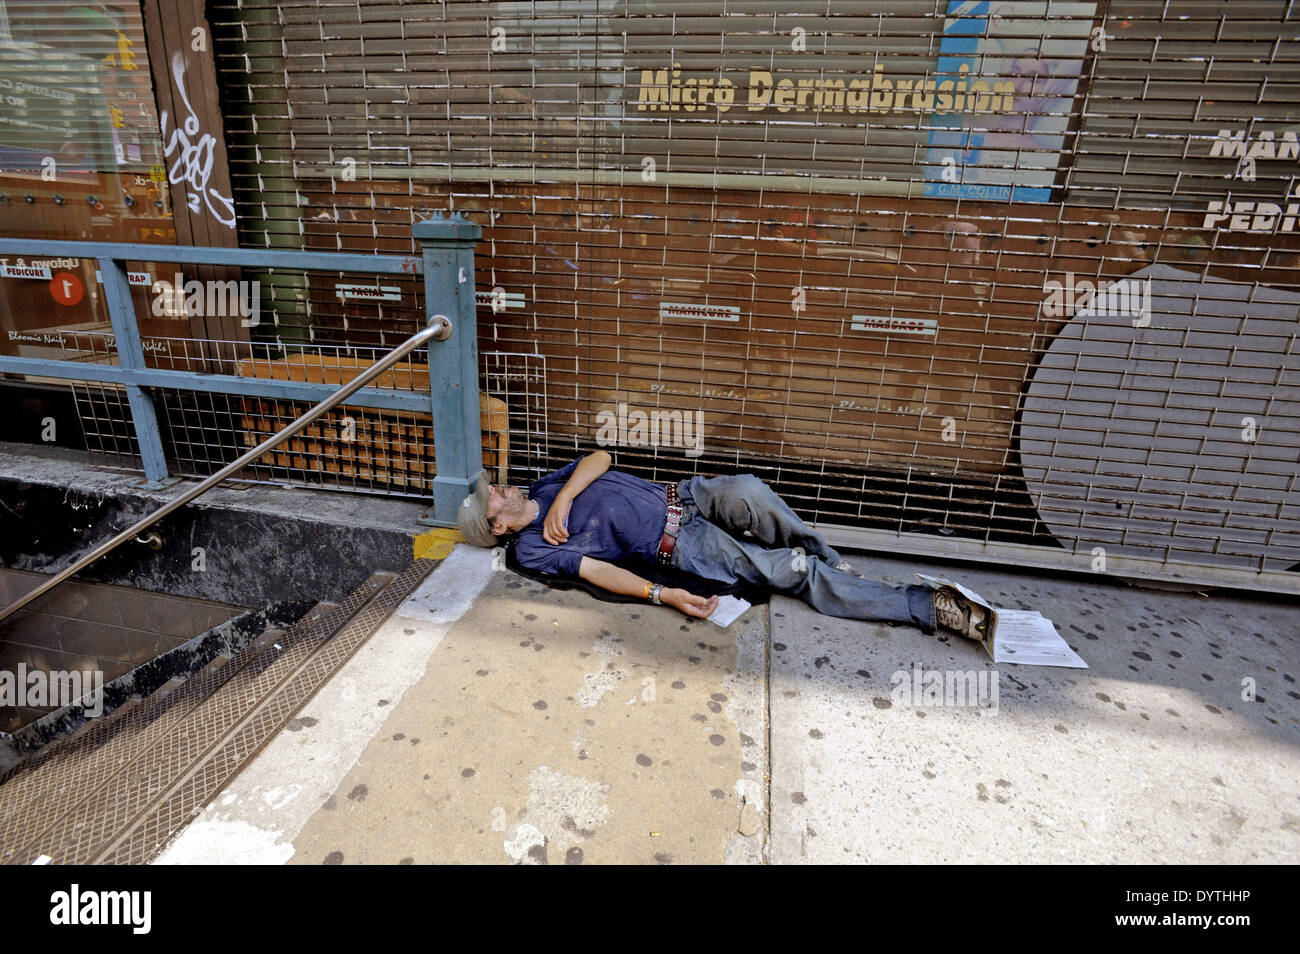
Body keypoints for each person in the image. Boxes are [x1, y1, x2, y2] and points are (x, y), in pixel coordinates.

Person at [457, 450, 996, 643]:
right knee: (790, 571)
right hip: (680, 542)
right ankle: (924, 606)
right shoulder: (529, 550)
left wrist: (562, 499)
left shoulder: (545, 490)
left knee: (750, 490)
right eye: (493, 501)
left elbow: (600, 458)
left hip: (685, 496)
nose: (499, 489)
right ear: (498, 528)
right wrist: (660, 595)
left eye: (494, 486)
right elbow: (594, 571)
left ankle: (827, 555)